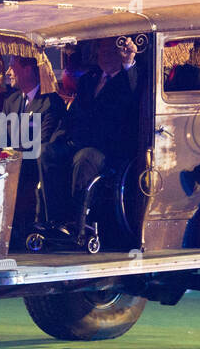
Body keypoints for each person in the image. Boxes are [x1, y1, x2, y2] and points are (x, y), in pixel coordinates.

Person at [38, 37, 142, 234]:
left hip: (107, 148)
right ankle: (54, 220)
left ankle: (77, 225)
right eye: (101, 50)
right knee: (47, 152)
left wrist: (129, 61)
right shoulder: (89, 79)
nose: (103, 54)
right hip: (78, 141)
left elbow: (133, 95)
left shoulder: (128, 80)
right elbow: (73, 114)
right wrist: (59, 137)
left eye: (109, 50)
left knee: (84, 158)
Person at [2, 55, 64, 238]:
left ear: (28, 69)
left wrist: (14, 152)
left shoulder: (50, 102)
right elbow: (2, 135)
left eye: (12, 67)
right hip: (10, 159)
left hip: (34, 162)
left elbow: (42, 140)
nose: (7, 72)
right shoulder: (11, 101)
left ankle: (23, 229)